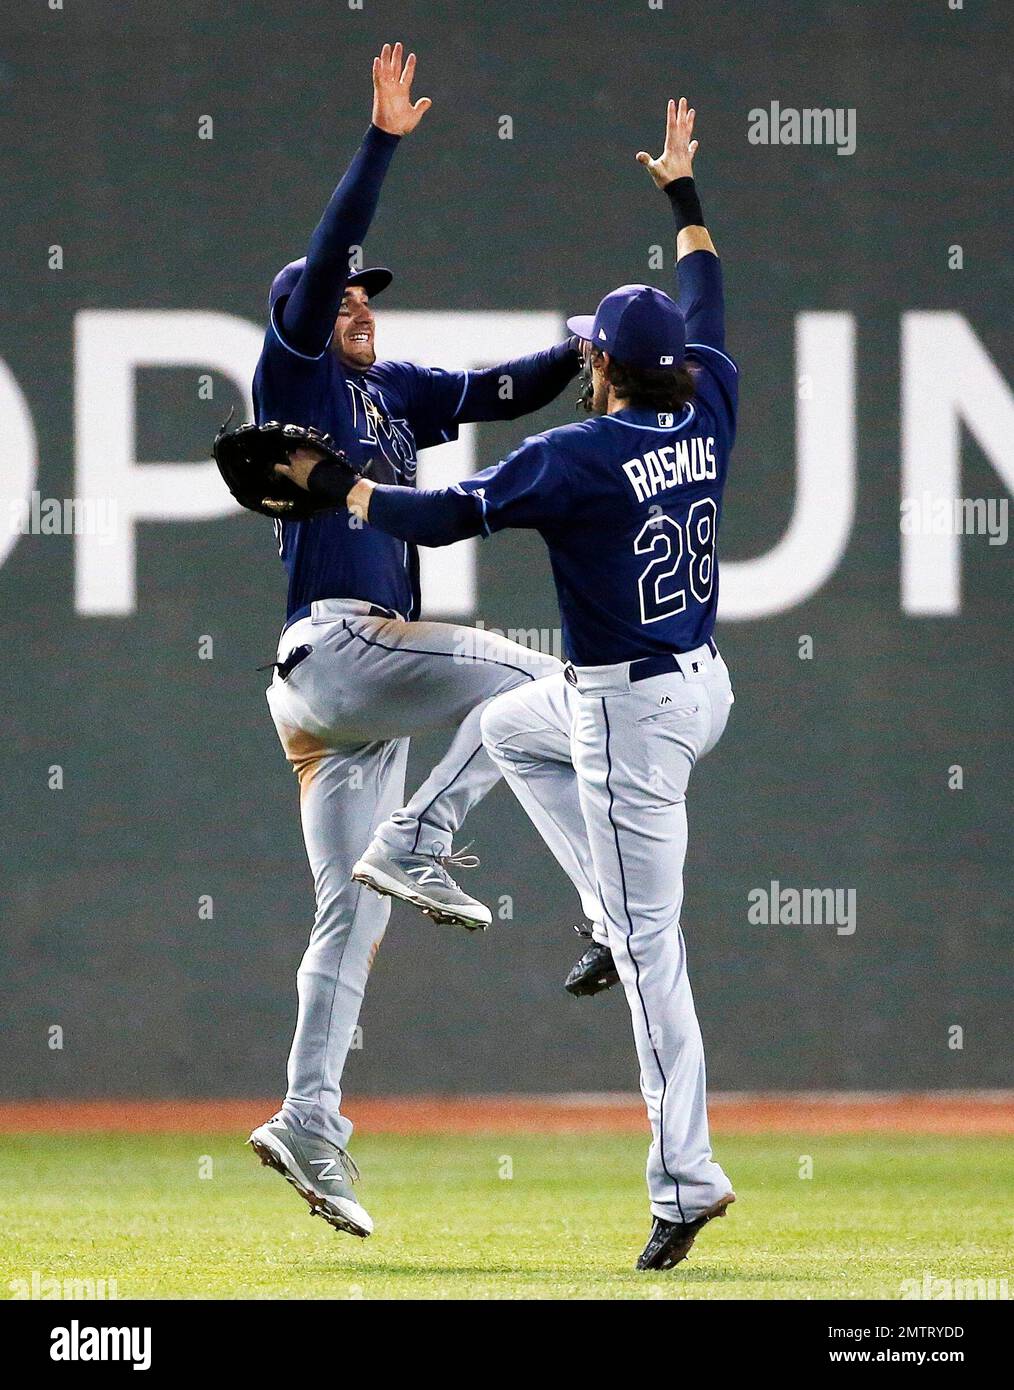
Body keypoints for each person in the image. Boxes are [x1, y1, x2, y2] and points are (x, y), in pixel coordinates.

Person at [284, 96, 740, 1269]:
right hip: (693, 682)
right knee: (512, 716)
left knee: (652, 955)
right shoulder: (715, 400)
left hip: (630, 708)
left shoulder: (575, 455)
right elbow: (706, 303)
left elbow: (456, 488)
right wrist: (683, 197)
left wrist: (348, 493)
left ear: (605, 367)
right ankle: (420, 847)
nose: (358, 305)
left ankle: (686, 1176)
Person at [246, 43, 579, 1240]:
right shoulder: (298, 372)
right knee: (543, 679)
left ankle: (306, 1124)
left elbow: (500, 390)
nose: (357, 304)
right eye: (342, 295)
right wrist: (381, 141)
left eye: (365, 294)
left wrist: (588, 337)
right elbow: (329, 253)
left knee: (351, 915)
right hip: (342, 646)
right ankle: (426, 834)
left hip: (335, 700)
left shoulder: (393, 395)